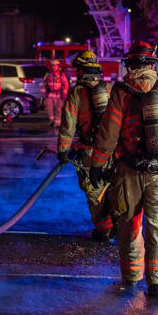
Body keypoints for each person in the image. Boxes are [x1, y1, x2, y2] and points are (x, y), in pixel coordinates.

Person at [89, 41, 158, 296]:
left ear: (130, 65)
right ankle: (157, 283)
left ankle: (131, 278)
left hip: (129, 172)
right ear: (153, 64)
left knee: (129, 224)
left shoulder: (121, 92)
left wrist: (97, 165)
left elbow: (108, 134)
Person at [57, 51, 114, 240]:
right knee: (112, 188)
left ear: (80, 70)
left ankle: (105, 231)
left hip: (90, 152)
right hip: (112, 151)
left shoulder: (77, 92)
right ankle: (119, 228)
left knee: (94, 192)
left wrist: (63, 150)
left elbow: (68, 124)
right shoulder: (111, 88)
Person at [43, 59, 69, 134]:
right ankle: (52, 120)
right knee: (49, 108)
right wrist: (44, 94)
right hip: (50, 94)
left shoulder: (62, 75)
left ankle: (57, 123)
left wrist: (64, 95)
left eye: (55, 66)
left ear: (58, 66)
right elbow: (44, 85)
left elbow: (66, 85)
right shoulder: (48, 75)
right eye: (52, 66)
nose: (53, 67)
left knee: (59, 109)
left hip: (59, 95)